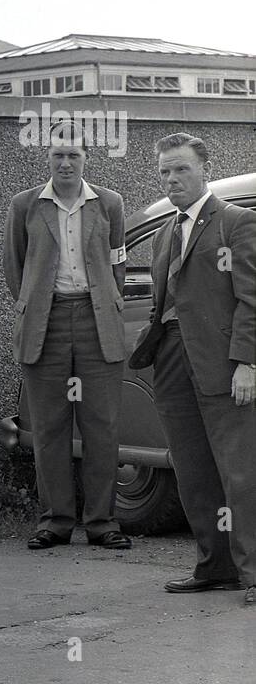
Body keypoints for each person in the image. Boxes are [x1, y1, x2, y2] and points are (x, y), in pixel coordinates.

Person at [129, 133, 256, 605]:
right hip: (172, 360)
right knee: (192, 468)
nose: (172, 179)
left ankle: (254, 573)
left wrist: (247, 362)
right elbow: (164, 299)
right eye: (164, 171)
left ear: (205, 169)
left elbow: (251, 300)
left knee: (241, 472)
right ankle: (215, 566)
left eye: (181, 168)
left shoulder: (237, 222)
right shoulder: (165, 232)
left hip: (224, 363)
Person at [3, 125, 129, 549]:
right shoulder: (25, 205)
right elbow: (15, 267)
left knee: (102, 427)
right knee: (49, 428)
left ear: (86, 157)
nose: (66, 163)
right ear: (47, 158)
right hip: (47, 324)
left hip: (97, 324)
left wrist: (106, 302)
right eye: (58, 154)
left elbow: (117, 262)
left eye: (73, 154)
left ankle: (102, 523)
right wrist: (37, 304)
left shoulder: (109, 203)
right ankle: (55, 522)